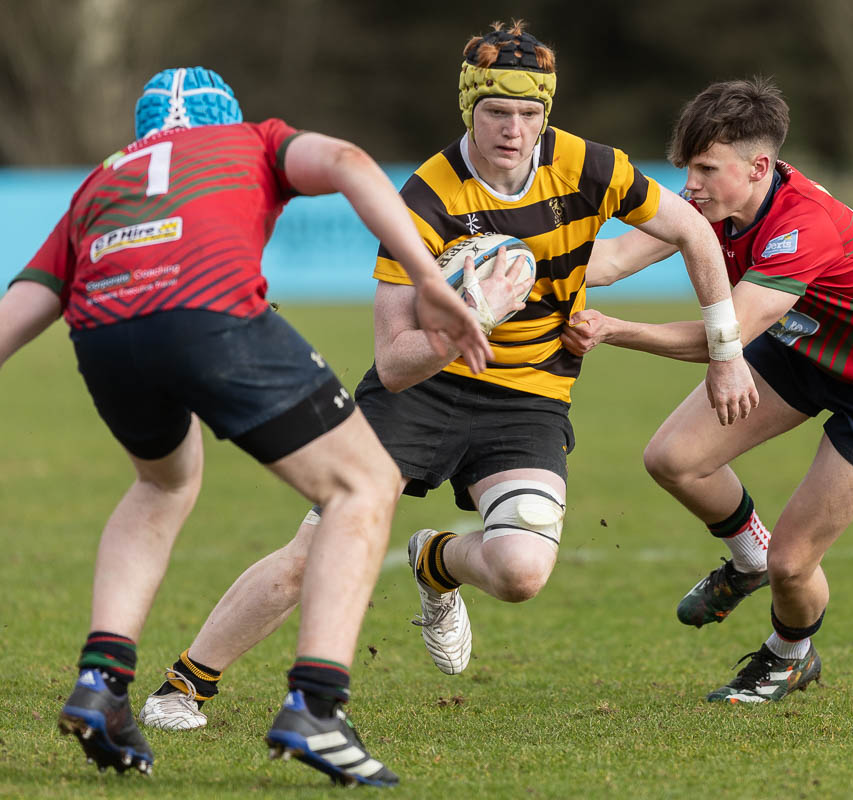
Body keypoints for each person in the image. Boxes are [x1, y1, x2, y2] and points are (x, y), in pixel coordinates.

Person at [137, 21, 757, 731]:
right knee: (317, 550)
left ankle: (436, 564)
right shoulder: (424, 199)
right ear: (470, 108)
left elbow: (693, 233)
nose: (514, 131)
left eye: (529, 115)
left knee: (522, 572)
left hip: (530, 397)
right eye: (497, 112)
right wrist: (468, 317)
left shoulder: (589, 165)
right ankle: (184, 685)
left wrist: (726, 349)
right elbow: (394, 363)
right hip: (422, 395)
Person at [0, 66, 494, 786]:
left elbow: (24, 304)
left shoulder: (102, 182)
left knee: (161, 486)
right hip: (209, 314)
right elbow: (352, 164)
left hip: (104, 331)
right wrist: (426, 278)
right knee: (364, 485)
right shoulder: (251, 140)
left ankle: (102, 684)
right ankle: (317, 705)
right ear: (225, 117)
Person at [561, 77, 853, 703]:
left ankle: (790, 654)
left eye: (707, 169)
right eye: (686, 167)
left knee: (792, 565)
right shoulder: (712, 205)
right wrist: (518, 255)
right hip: (803, 345)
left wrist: (614, 330)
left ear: (758, 167)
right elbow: (606, 262)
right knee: (673, 459)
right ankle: (746, 559)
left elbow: (727, 337)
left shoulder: (803, 228)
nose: (690, 185)